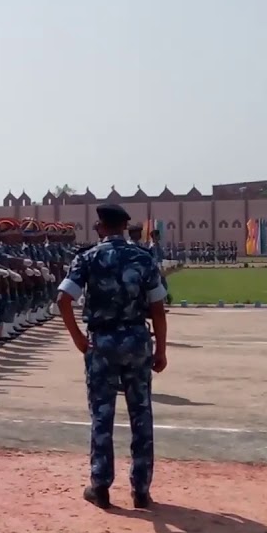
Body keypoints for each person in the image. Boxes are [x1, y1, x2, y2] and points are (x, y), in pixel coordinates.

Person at [56, 204, 167, 510]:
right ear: (124, 227)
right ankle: (141, 490)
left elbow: (63, 299)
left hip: (102, 343)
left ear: (100, 227)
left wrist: (79, 338)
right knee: (141, 414)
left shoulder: (88, 258)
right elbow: (157, 308)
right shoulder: (143, 258)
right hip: (136, 340)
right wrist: (162, 349)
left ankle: (101, 486)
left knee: (102, 416)